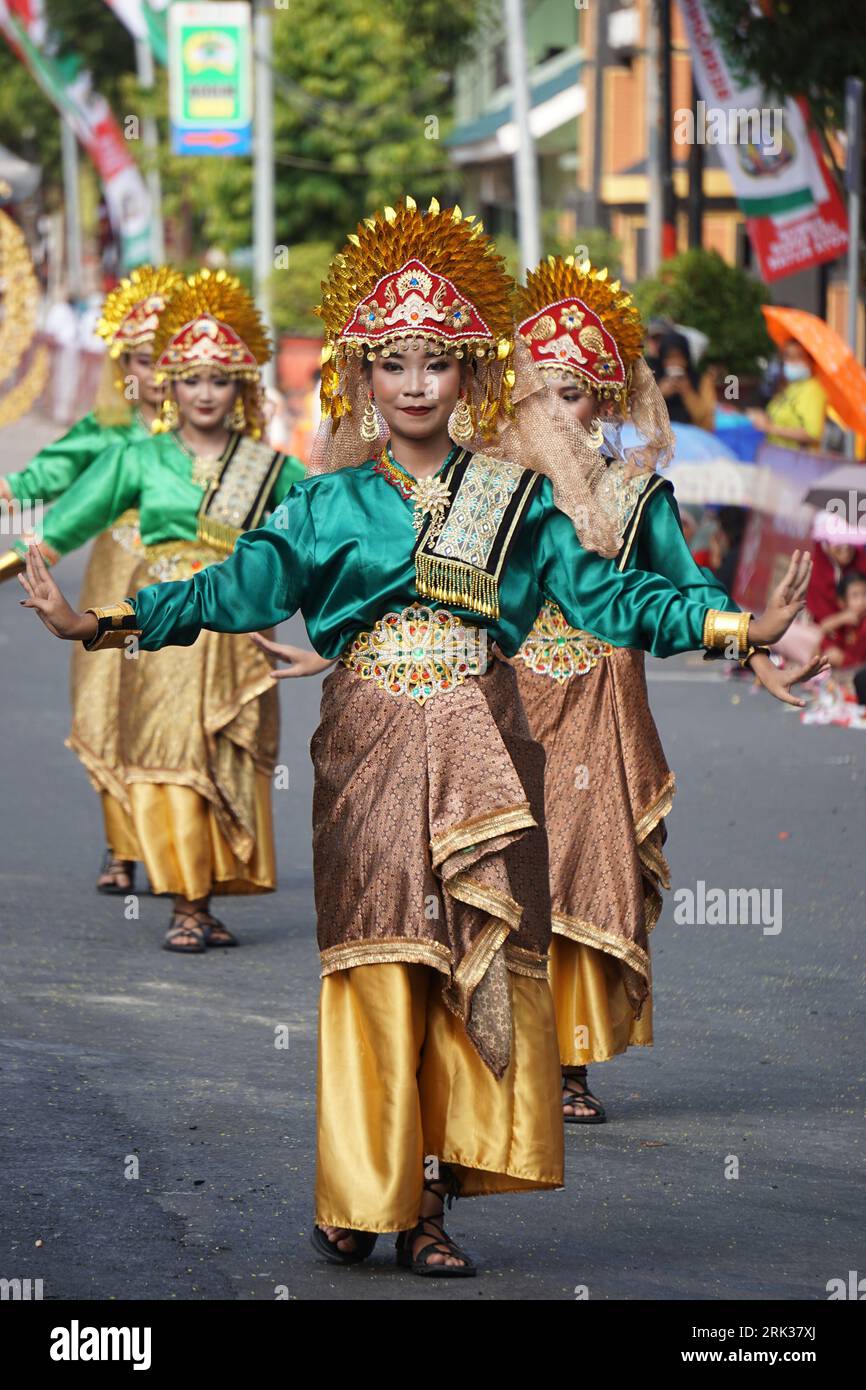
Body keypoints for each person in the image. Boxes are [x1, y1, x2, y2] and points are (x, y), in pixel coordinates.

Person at [17, 198, 814, 1276]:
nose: (410, 382)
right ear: (356, 374)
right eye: (388, 361)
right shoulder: (323, 505)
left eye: (433, 362)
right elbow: (230, 588)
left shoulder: (516, 501)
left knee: (464, 967)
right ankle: (359, 1191)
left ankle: (429, 1207)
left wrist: (731, 627)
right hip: (368, 757)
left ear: (470, 376)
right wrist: (99, 619)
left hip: (488, 753)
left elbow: (607, 597)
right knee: (376, 968)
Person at [509, 254, 825, 1123]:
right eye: (539, 391)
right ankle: (496, 1048)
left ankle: (569, 1061)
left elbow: (684, 585)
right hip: (504, 703)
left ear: (609, 399)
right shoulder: (496, 492)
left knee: (585, 871)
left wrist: (748, 647)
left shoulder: (636, 492)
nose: (555, 410)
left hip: (602, 705)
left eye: (573, 392)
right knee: (503, 864)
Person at [12, 268, 305, 952]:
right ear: (168, 386)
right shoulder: (136, 459)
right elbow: (55, 534)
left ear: (240, 387)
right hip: (167, 630)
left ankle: (205, 888)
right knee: (172, 758)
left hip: (241, 635)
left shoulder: (273, 469)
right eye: (191, 378)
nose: (205, 392)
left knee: (226, 761)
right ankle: (185, 903)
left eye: (220, 378)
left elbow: (318, 552)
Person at [0, 265, 184, 893]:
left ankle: (182, 855)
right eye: (142, 359)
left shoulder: (213, 436)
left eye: (168, 357)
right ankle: (121, 846)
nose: (156, 374)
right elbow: (31, 485)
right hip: (112, 576)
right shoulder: (108, 430)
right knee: (105, 705)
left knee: (173, 714)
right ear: (122, 368)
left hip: (185, 588)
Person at [747, 339, 827, 451]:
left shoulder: (812, 389)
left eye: (797, 357)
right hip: (778, 455)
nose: (790, 362)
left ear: (810, 360)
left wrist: (770, 428)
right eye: (787, 356)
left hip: (798, 461)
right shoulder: (789, 387)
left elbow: (813, 434)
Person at [656, 331, 716, 430]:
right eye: (669, 358)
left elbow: (708, 423)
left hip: (693, 438)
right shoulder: (653, 380)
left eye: (678, 357)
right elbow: (639, 419)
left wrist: (687, 392)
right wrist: (659, 394)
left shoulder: (702, 381)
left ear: (686, 359)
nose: (674, 362)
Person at [818, 572, 866, 671]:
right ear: (842, 602)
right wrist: (842, 618)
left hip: (857, 664)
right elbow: (823, 627)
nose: (862, 601)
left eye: (864, 594)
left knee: (832, 655)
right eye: (855, 596)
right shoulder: (845, 618)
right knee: (821, 646)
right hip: (842, 659)